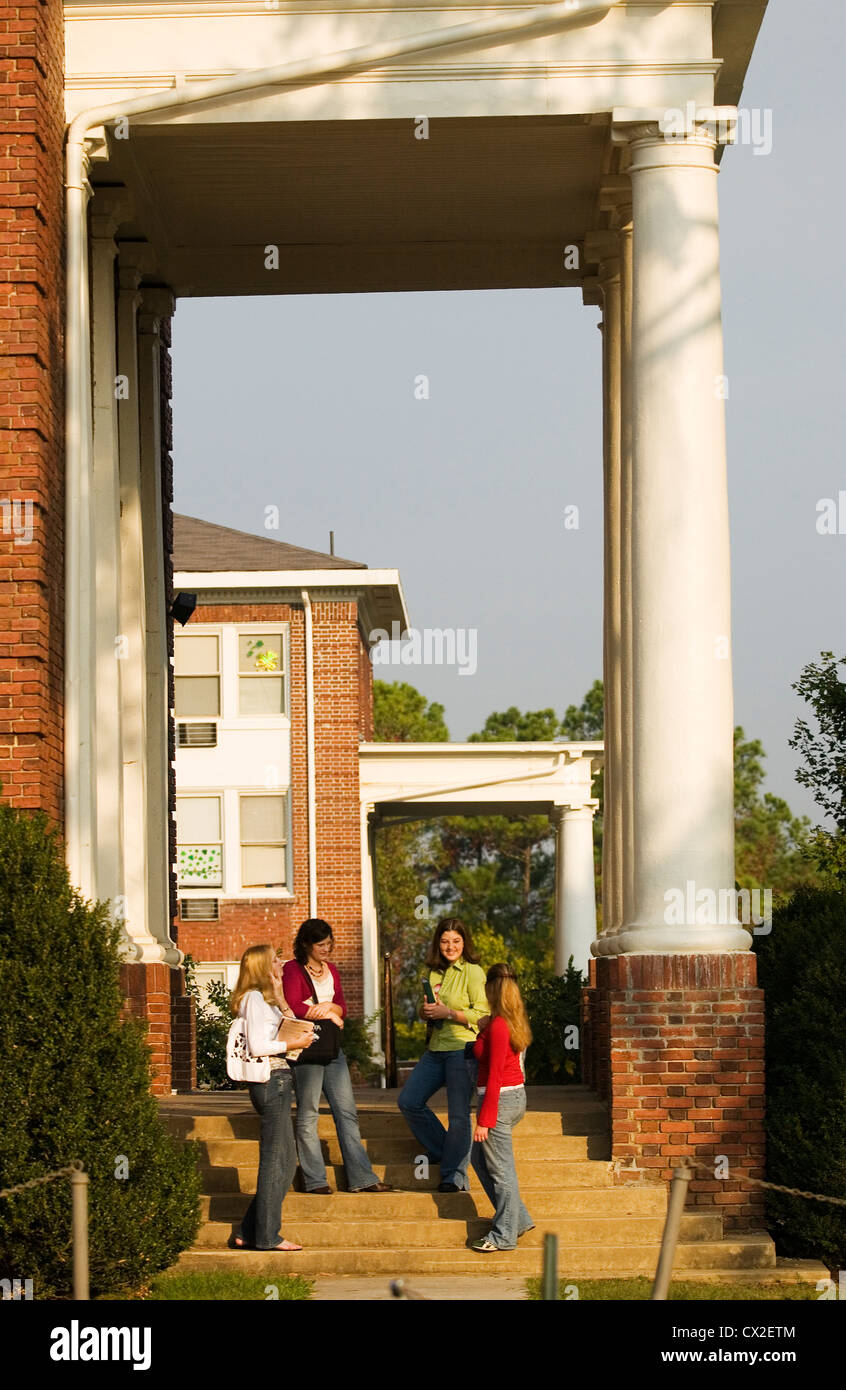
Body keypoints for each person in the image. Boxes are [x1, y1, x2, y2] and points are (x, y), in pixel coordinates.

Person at [280, 919, 393, 1194]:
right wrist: (328, 1012)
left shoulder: (332, 971)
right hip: (307, 1045)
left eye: (329, 944)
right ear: (306, 943)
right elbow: (294, 1006)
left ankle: (362, 1177)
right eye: (321, 944)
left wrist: (332, 1008)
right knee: (308, 1113)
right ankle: (315, 1180)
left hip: (332, 1048)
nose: (326, 949)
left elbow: (342, 1006)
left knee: (347, 1112)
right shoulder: (292, 970)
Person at [229, 943, 316, 1251]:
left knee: (285, 1161)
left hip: (279, 1080)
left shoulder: (266, 1001)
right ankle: (267, 1236)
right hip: (270, 1083)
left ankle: (246, 1230)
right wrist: (289, 1045)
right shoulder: (252, 999)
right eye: (275, 960)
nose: (282, 963)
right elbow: (258, 1045)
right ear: (261, 967)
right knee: (273, 1161)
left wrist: (280, 997)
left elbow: (286, 1026)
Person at [398, 918, 488, 1193]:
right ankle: (445, 1149)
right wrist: (425, 1012)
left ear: (464, 943)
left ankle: (454, 1176)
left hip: (462, 1050)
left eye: (456, 941)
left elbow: (483, 1016)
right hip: (435, 1049)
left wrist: (449, 1013)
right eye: (445, 941)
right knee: (409, 1101)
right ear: (438, 943)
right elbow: (426, 1010)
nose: (450, 947)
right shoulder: (433, 974)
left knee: (459, 1116)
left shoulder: (473, 972)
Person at [469, 962, 535, 1252]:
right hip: (514, 1096)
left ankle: (504, 1235)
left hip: (498, 1099)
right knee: (479, 1159)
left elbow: (494, 1074)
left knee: (501, 1171)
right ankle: (517, 1219)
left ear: (491, 989)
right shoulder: (511, 1018)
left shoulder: (498, 1026)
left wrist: (485, 1119)